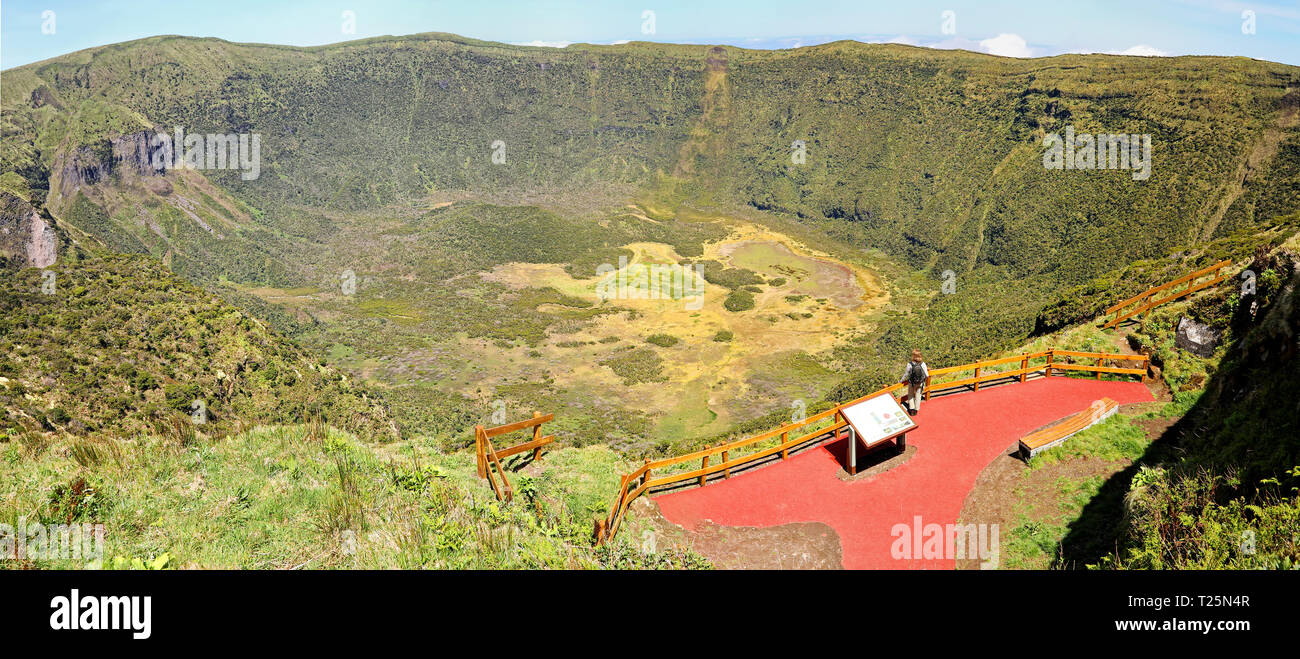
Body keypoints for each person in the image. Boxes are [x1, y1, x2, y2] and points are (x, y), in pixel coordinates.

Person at [900, 349, 928, 416]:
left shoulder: (910, 364)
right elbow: (927, 375)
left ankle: (911, 409)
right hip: (920, 383)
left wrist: (901, 381)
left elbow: (906, 374)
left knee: (910, 395)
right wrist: (923, 381)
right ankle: (916, 409)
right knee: (918, 395)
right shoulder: (923, 364)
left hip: (912, 383)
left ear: (913, 356)